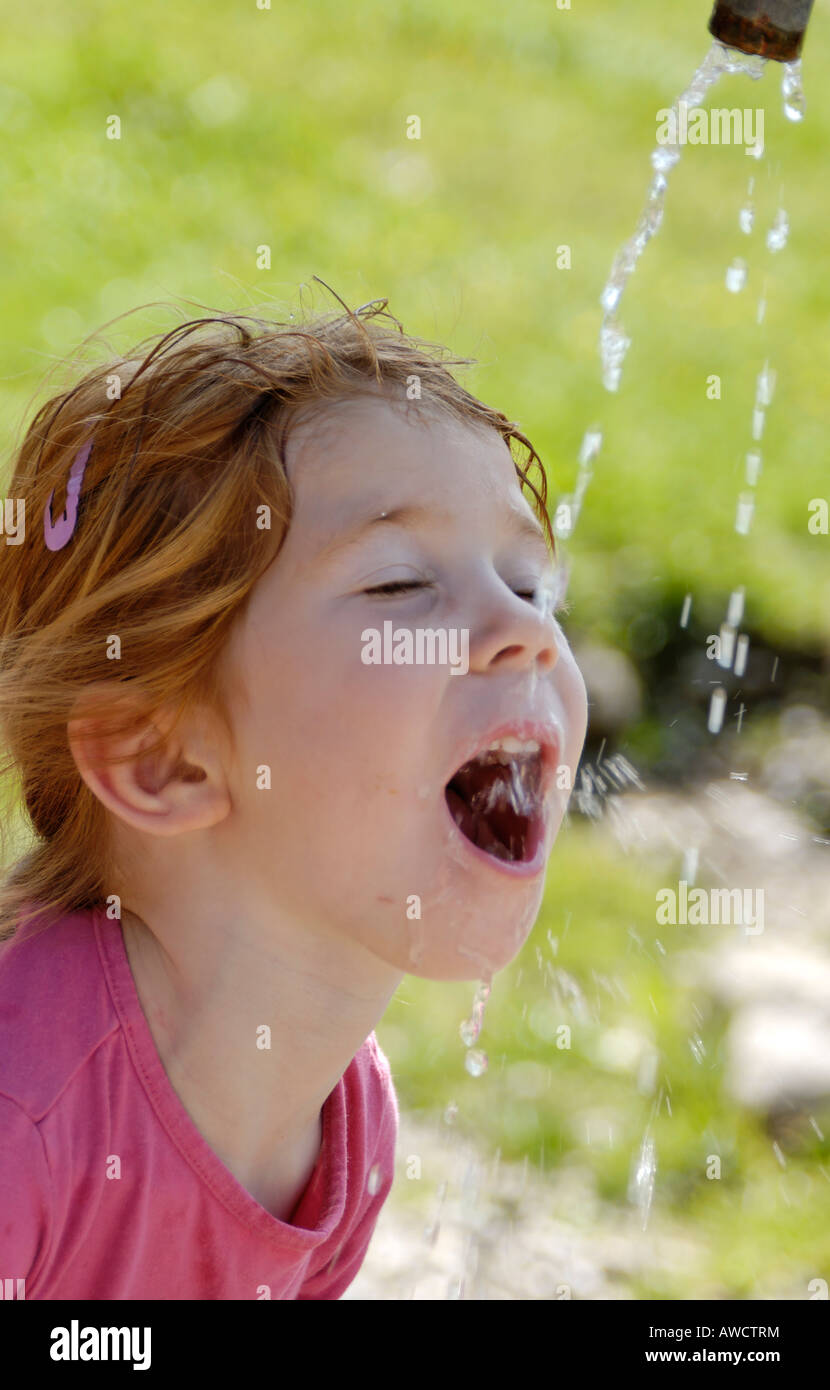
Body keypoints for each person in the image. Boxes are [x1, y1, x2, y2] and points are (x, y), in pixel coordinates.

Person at [0, 296, 588, 1299]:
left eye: (531, 585)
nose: (524, 630)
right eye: (400, 585)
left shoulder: (345, 1121)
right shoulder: (24, 1117)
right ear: (163, 759)